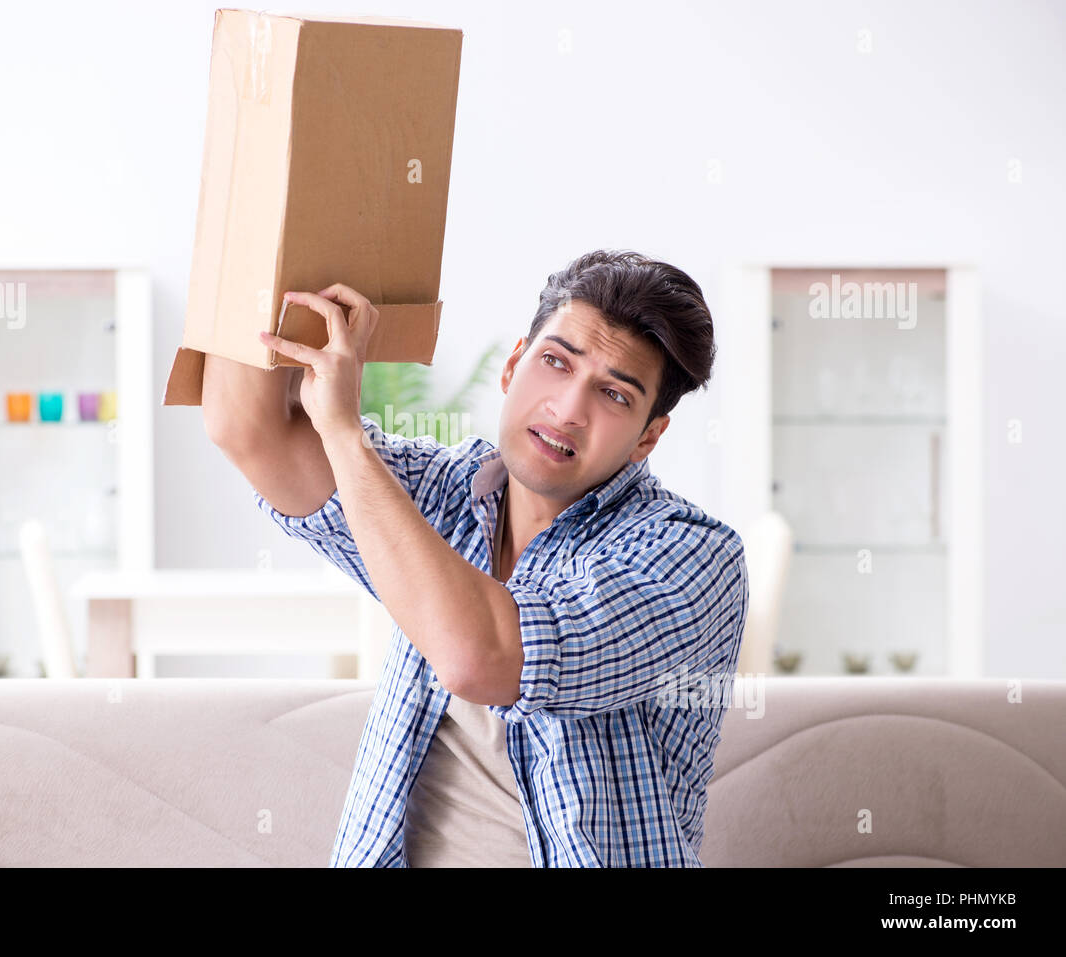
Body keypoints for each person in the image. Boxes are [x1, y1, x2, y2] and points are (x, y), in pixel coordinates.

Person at [203, 249, 750, 867]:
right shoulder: (451, 493)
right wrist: (269, 219)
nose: (568, 409)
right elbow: (246, 427)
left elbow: (481, 658)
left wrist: (345, 432)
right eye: (554, 363)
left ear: (647, 438)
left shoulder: (689, 555)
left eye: (614, 395)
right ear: (514, 364)